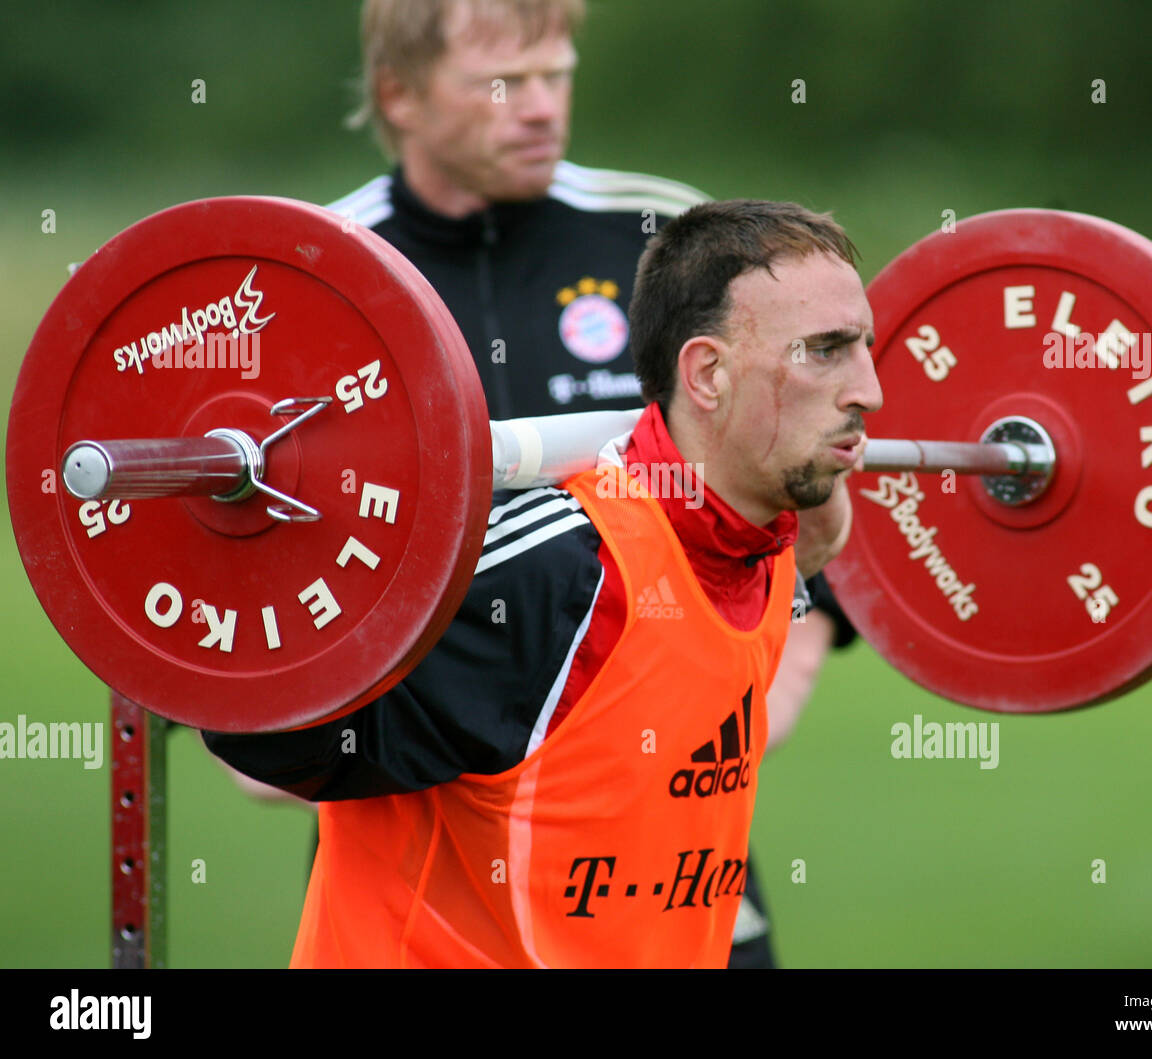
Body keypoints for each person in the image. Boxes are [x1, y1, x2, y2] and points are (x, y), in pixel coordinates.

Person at [218, 0, 853, 966]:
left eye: (557, 75)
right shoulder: (314, 279)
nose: (541, 109)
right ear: (401, 95)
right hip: (421, 785)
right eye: (501, 85)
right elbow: (229, 580)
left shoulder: (662, 233)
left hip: (665, 834)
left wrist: (723, 725)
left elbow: (795, 506)